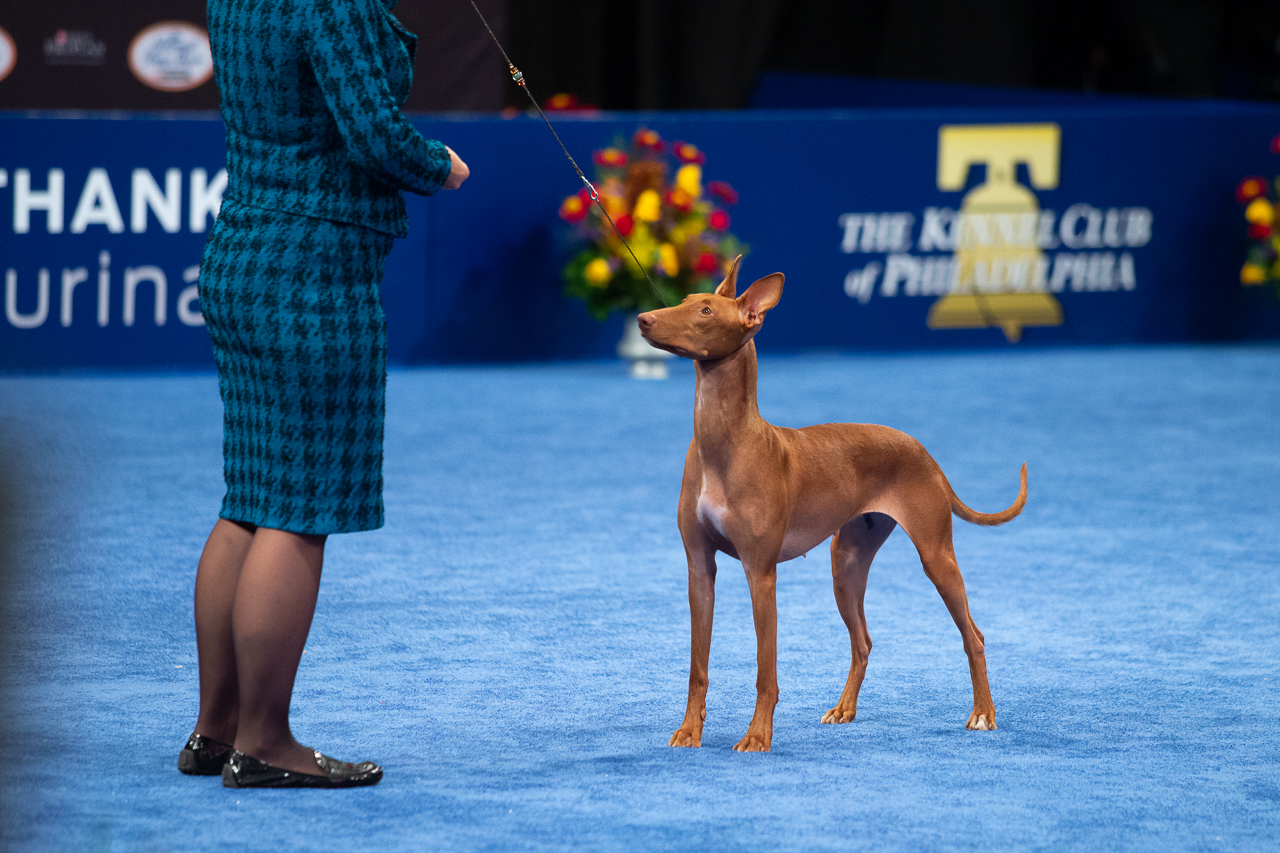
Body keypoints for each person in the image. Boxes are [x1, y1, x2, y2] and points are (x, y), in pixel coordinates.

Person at [178, 0, 469, 789]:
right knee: (299, 510)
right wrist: (437, 165)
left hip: (243, 250)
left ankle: (217, 728)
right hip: (312, 274)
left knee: (249, 499)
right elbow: (372, 134)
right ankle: (265, 739)